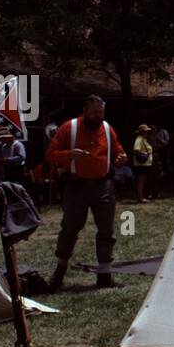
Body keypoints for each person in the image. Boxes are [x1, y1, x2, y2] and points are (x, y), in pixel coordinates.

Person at [44, 95, 128, 291]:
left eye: (101, 112)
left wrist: (121, 157)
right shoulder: (69, 128)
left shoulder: (107, 128)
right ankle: (60, 270)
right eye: (95, 112)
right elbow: (50, 154)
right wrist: (68, 155)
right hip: (76, 186)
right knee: (70, 228)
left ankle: (105, 275)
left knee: (107, 230)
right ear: (85, 111)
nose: (99, 116)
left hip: (103, 186)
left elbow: (117, 151)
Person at [132, 123, 154, 203]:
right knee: (141, 181)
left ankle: (142, 197)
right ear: (142, 132)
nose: (147, 133)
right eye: (145, 131)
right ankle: (140, 198)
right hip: (141, 164)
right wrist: (146, 154)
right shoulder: (139, 139)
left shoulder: (144, 139)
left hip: (145, 164)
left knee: (143, 181)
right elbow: (136, 151)